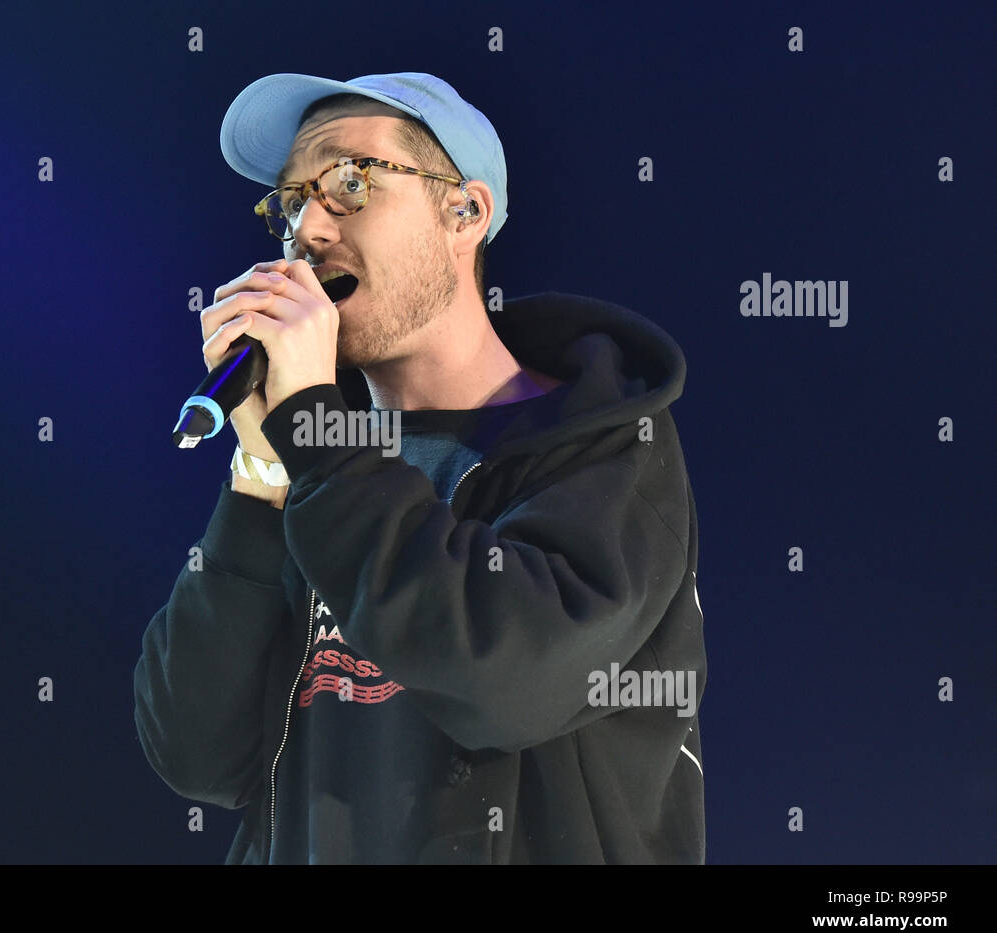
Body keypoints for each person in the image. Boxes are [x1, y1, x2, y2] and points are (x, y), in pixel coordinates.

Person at [134, 71, 707, 863]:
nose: (307, 228)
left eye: (348, 181)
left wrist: (314, 435)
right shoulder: (316, 462)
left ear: (464, 211)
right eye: (289, 201)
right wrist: (263, 474)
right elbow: (197, 753)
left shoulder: (604, 448)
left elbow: (503, 680)